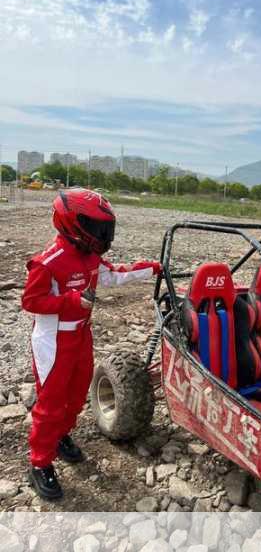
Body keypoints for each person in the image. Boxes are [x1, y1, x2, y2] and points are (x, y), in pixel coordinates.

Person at [22, 188, 162, 500]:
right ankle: (39, 463)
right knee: (50, 403)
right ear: (74, 225)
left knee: (76, 394)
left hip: (81, 336)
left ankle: (60, 436)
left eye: (105, 229)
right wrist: (71, 301)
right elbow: (31, 301)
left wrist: (150, 268)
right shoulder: (48, 262)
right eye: (97, 229)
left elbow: (115, 275)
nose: (102, 236)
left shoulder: (91, 257)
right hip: (53, 342)